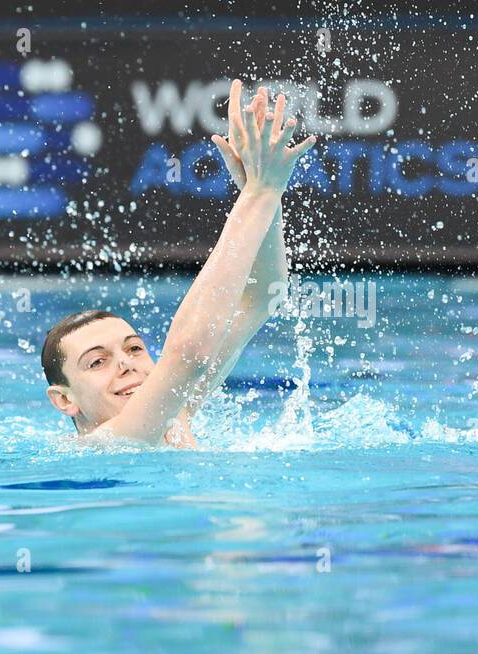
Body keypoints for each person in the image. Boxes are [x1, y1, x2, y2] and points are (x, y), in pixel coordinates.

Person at [41, 81, 315, 448]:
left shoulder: (176, 413)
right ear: (64, 400)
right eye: (97, 362)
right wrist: (258, 195)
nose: (126, 364)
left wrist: (266, 190)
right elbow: (190, 355)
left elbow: (262, 295)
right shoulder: (104, 445)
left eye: (134, 348)